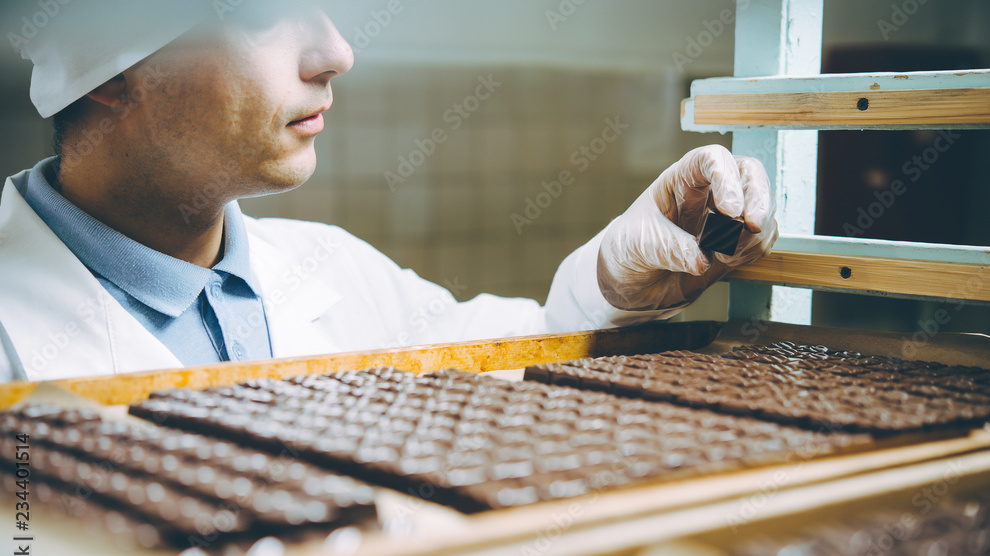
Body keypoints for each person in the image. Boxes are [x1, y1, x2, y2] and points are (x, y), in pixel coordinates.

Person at [0, 0, 777, 383]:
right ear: (108, 72)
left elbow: (518, 364)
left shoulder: (334, 272)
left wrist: (616, 280)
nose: (336, 52)